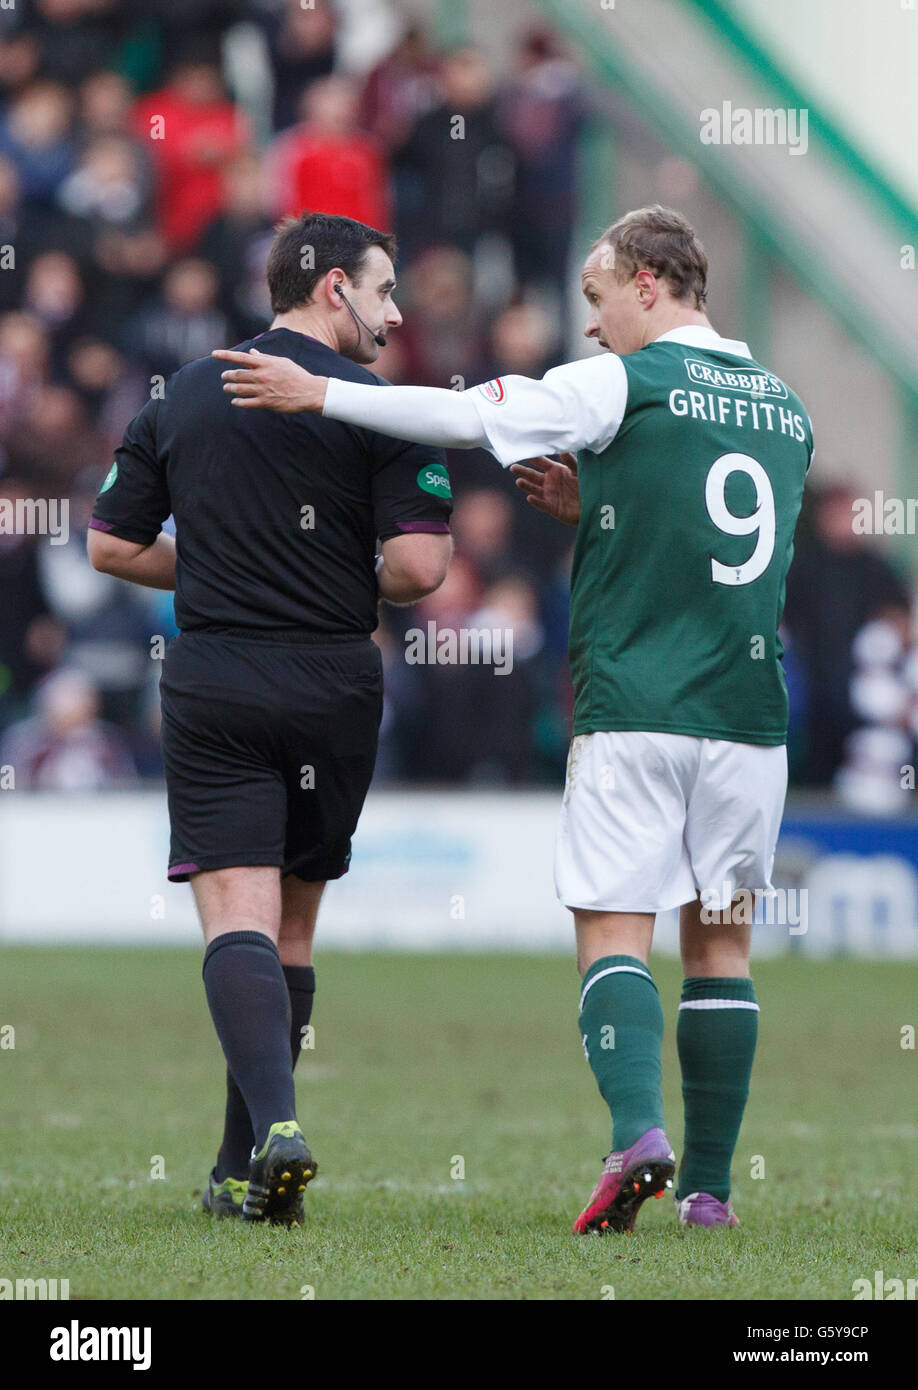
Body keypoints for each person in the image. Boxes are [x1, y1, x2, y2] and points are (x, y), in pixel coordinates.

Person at [214, 204, 813, 1235]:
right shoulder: (786, 408)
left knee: (613, 927)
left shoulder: (633, 377)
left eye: (596, 297)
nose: (589, 324)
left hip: (635, 707)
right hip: (750, 719)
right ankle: (710, 1190)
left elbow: (470, 413)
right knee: (722, 945)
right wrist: (603, 508)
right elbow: (725, 538)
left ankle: (638, 1133)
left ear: (649, 285)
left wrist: (324, 393)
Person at [87, 211, 452, 1225]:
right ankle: (238, 1163)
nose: (394, 311)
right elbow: (420, 569)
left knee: (234, 920)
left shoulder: (183, 393)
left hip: (217, 679)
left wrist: (211, 563)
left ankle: (276, 1134)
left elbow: (111, 548)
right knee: (292, 924)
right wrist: (336, 571)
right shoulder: (387, 408)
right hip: (336, 680)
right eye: (384, 290)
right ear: (334, 287)